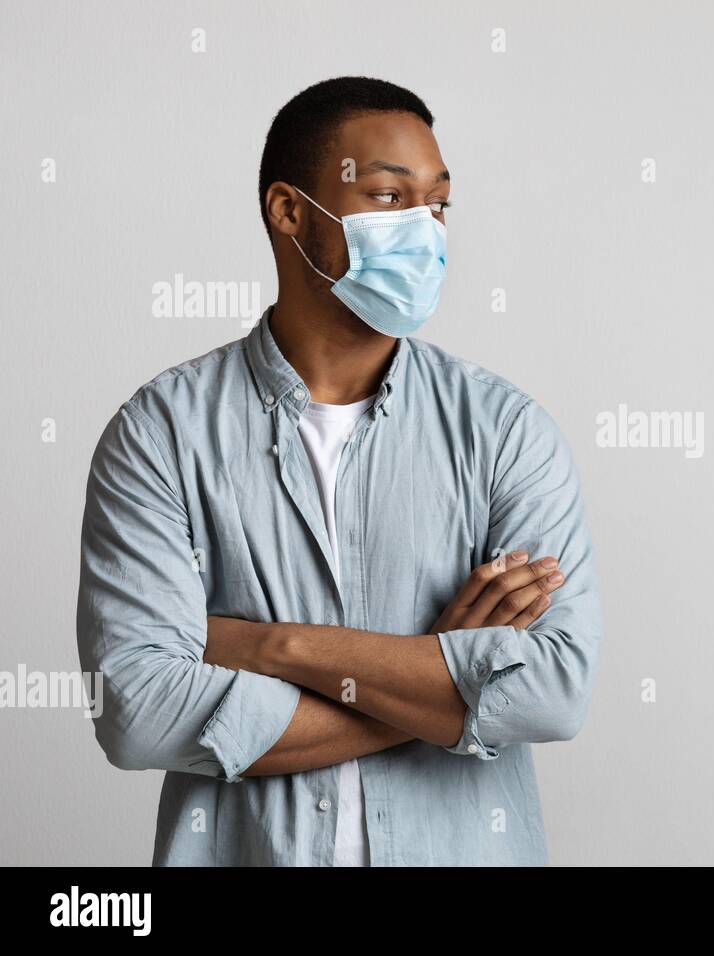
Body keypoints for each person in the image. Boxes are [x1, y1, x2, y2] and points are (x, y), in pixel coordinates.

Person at [76, 77, 602, 866]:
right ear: (289, 211)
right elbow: (137, 712)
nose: (426, 229)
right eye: (389, 198)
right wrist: (440, 673)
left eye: (439, 203)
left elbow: (554, 692)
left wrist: (270, 647)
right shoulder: (160, 433)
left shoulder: (505, 431)